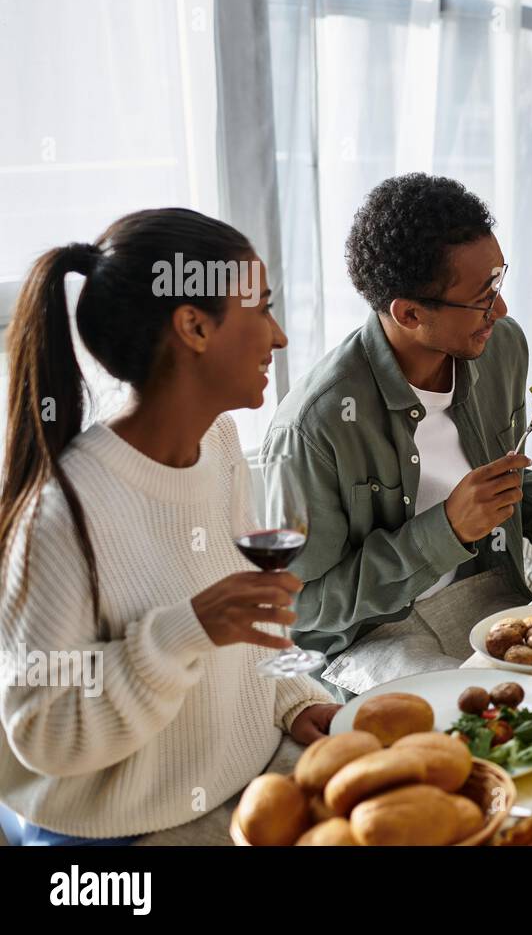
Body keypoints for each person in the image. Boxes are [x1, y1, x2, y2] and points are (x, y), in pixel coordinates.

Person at [0, 209, 337, 846]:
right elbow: (40, 729)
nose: (280, 335)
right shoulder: (60, 514)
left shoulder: (220, 441)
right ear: (193, 327)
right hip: (121, 834)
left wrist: (294, 698)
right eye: (260, 308)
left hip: (247, 782)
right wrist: (183, 632)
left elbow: (243, 617)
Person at [264, 174, 532, 699]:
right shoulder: (314, 427)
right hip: (370, 639)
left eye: (499, 281)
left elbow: (506, 476)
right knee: (493, 715)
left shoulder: (500, 348)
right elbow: (302, 610)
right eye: (483, 297)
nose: (500, 310)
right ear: (408, 313)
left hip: (488, 592)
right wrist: (445, 530)